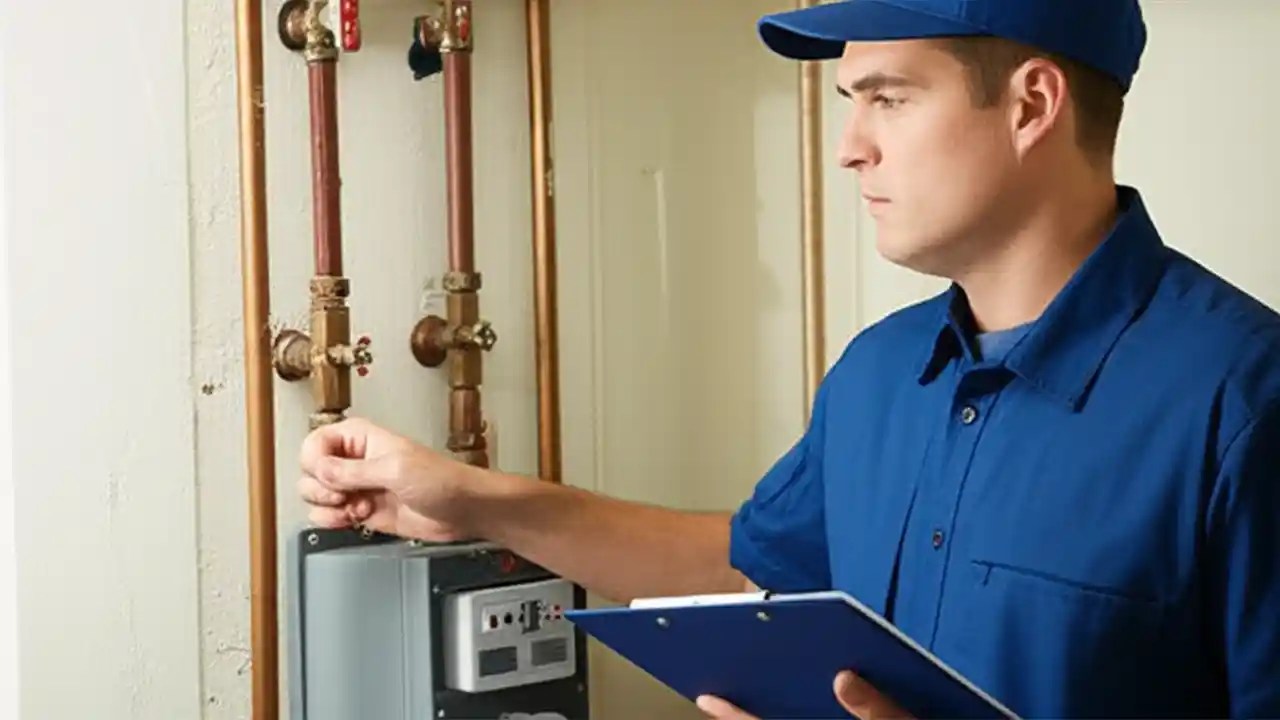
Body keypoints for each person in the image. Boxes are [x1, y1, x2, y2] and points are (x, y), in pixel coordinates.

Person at [297, 0, 1280, 717]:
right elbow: (748, 573)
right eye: (847, 102)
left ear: (1029, 105)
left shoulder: (1239, 400)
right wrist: (468, 501)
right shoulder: (878, 376)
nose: (849, 146)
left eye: (887, 99)